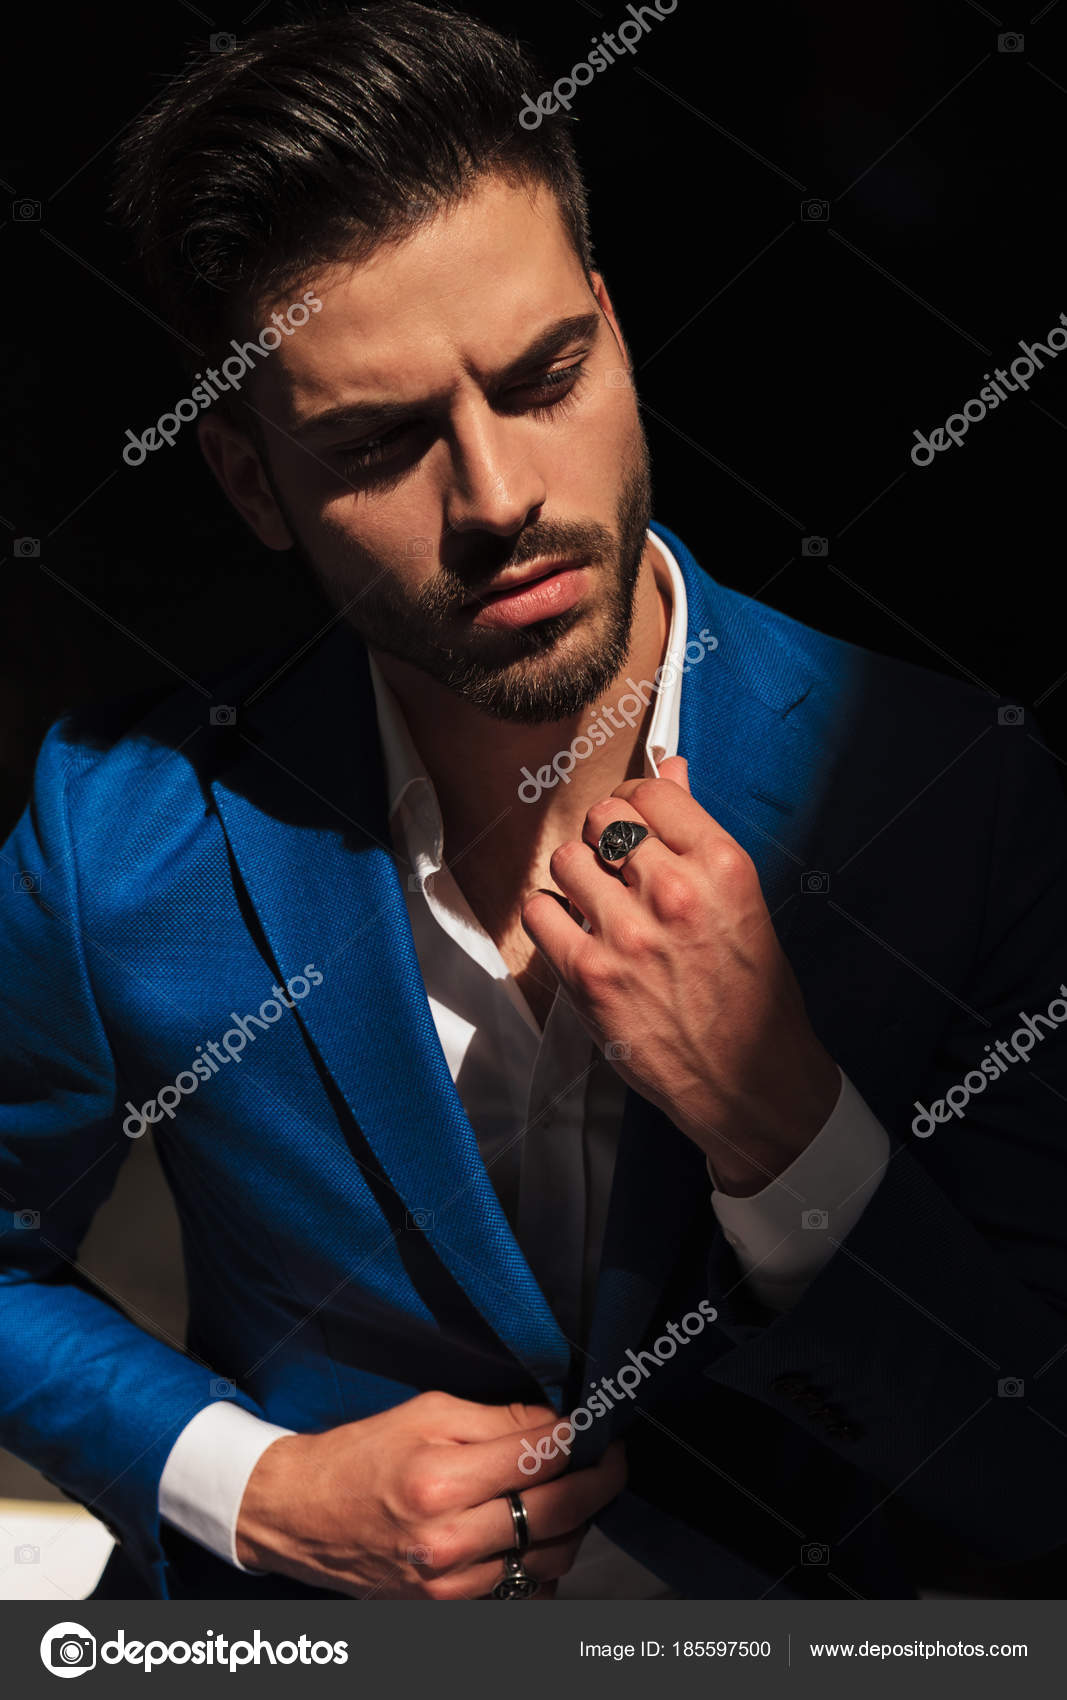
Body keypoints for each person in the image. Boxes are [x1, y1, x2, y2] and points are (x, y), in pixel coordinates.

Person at [2, 3, 1066, 1603]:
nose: (500, 499)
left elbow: (1036, 1460)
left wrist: (785, 1128)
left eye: (546, 374)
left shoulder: (953, 794)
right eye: (379, 443)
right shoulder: (118, 837)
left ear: (615, 330)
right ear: (246, 479)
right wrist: (252, 1485)